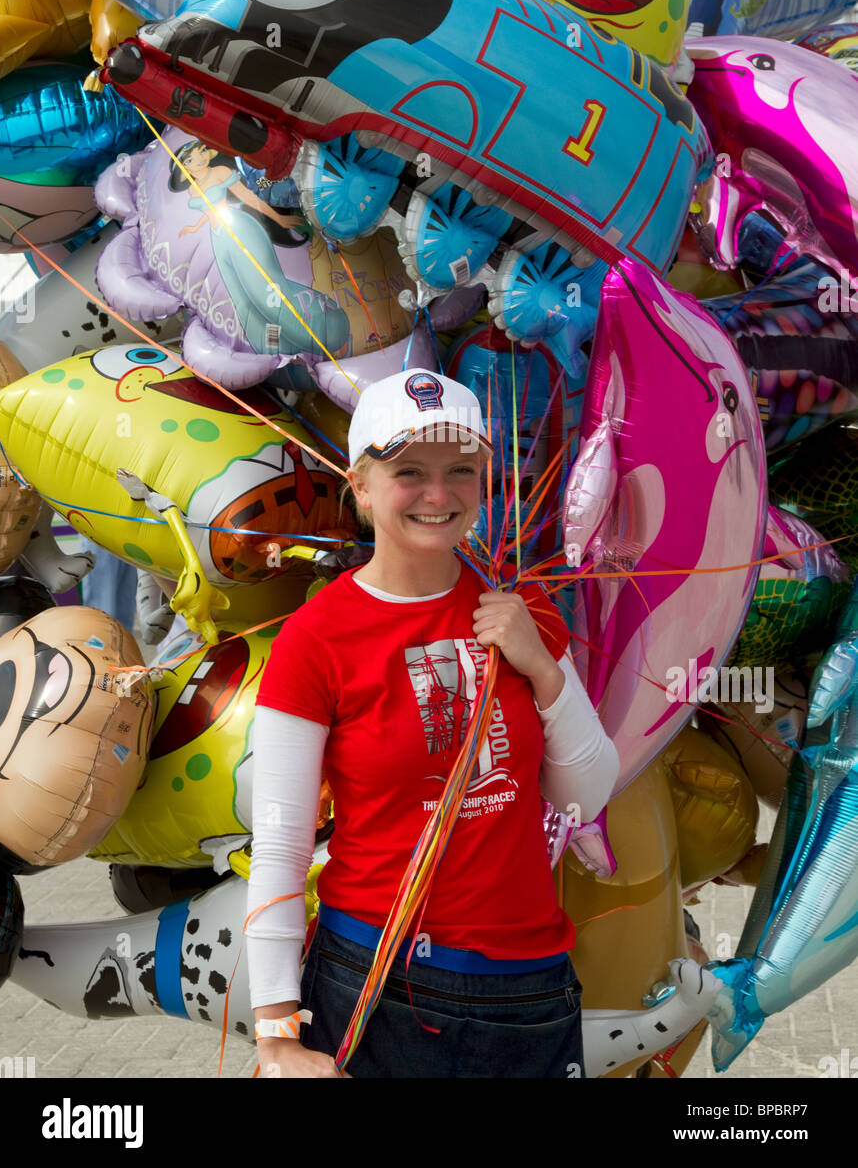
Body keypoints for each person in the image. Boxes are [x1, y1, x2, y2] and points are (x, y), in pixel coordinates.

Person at [246, 368, 619, 1078]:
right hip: (375, 983)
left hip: (528, 989)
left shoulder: (525, 614)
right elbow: (280, 845)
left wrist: (542, 669)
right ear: (360, 485)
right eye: (409, 471)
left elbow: (586, 794)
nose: (438, 494)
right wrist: (277, 1037)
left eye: (461, 471)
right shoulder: (315, 639)